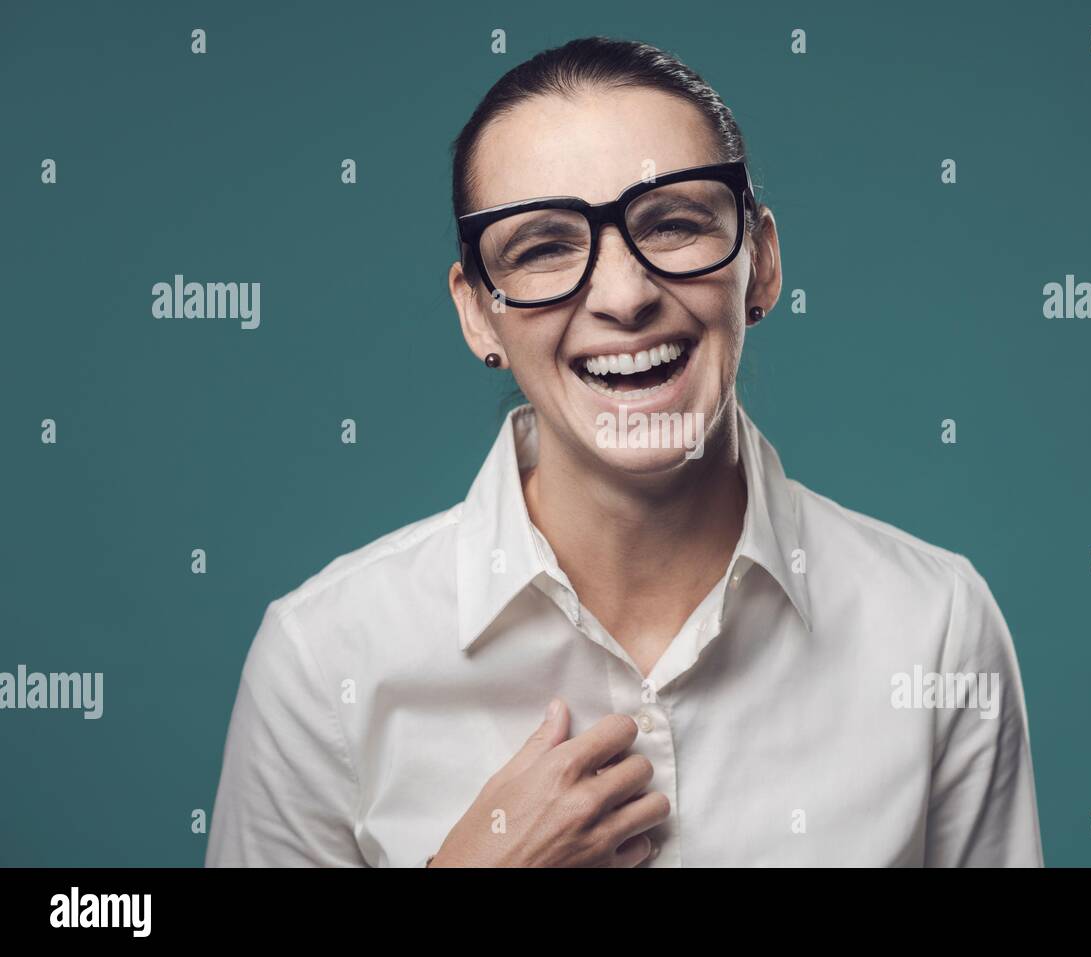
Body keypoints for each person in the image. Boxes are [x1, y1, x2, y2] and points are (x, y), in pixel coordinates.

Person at [205, 35, 1043, 868]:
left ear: (761, 263)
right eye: (543, 247)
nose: (625, 294)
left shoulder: (935, 628)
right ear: (477, 314)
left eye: (673, 223)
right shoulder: (322, 662)